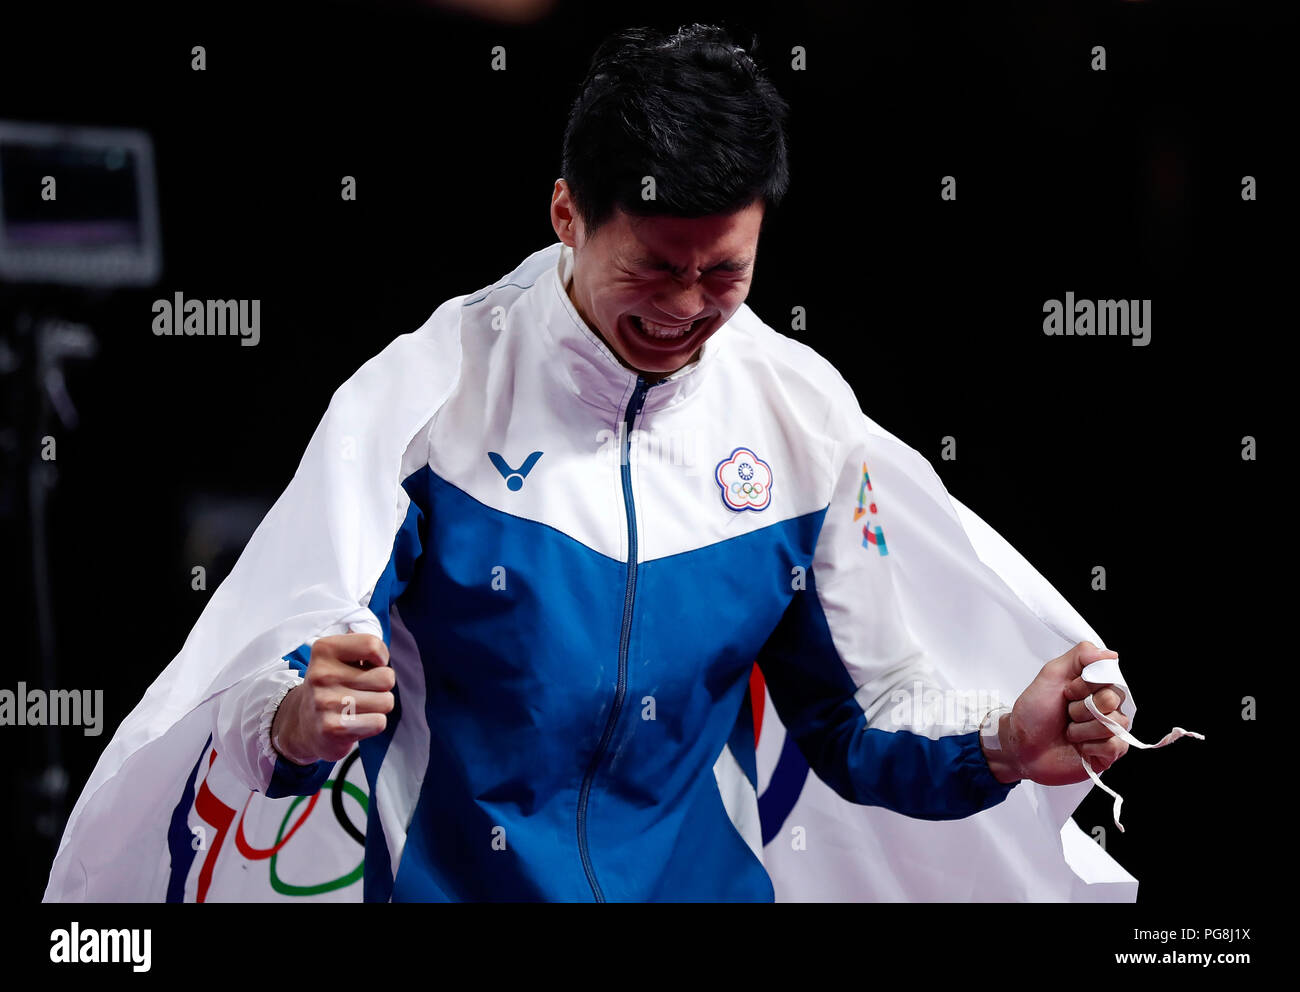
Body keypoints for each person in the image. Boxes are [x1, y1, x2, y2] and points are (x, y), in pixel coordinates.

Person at [54, 23, 1133, 903]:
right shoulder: (426, 398)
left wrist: (998, 741)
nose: (684, 310)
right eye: (655, 268)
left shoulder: (803, 420)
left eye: (724, 274)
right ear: (567, 212)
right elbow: (291, 646)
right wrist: (293, 720)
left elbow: (856, 718)